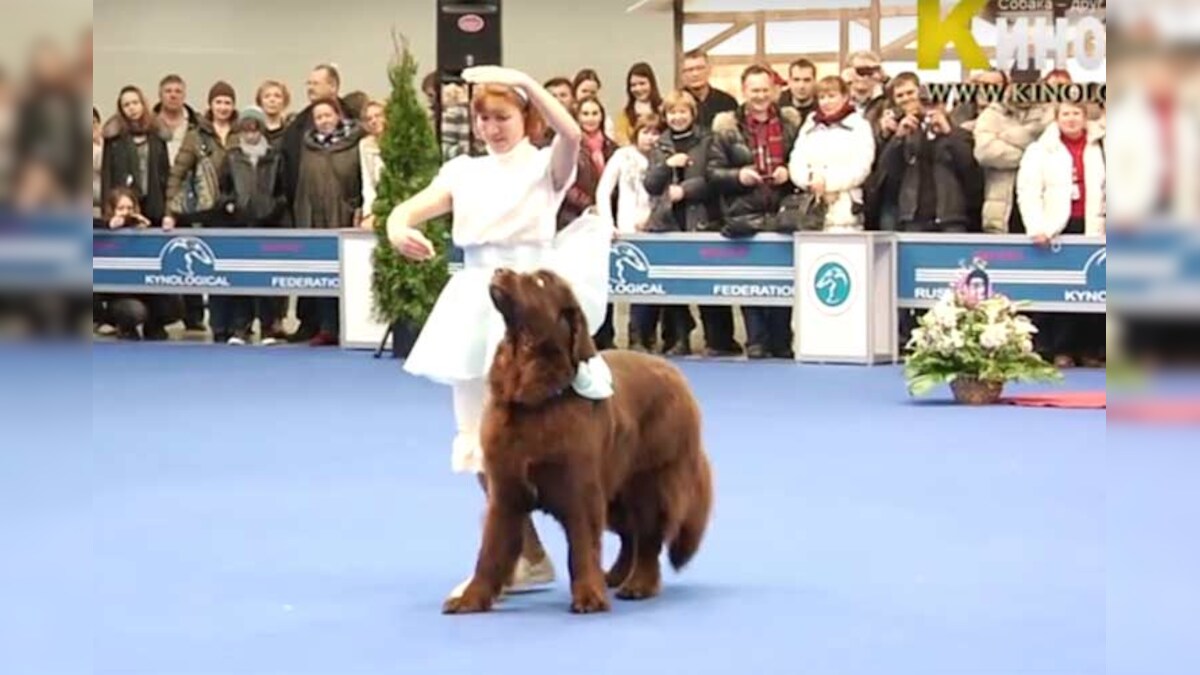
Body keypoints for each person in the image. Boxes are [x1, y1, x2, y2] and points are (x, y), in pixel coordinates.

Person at [384, 66, 612, 601]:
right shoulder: (462, 171)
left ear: (525, 117)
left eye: (503, 117)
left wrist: (525, 81)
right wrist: (398, 228)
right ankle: (524, 556)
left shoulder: (545, 166)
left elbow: (573, 133)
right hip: (475, 302)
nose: (492, 128)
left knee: (555, 434)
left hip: (533, 303)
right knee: (482, 439)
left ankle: (593, 545)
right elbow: (409, 209)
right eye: (483, 119)